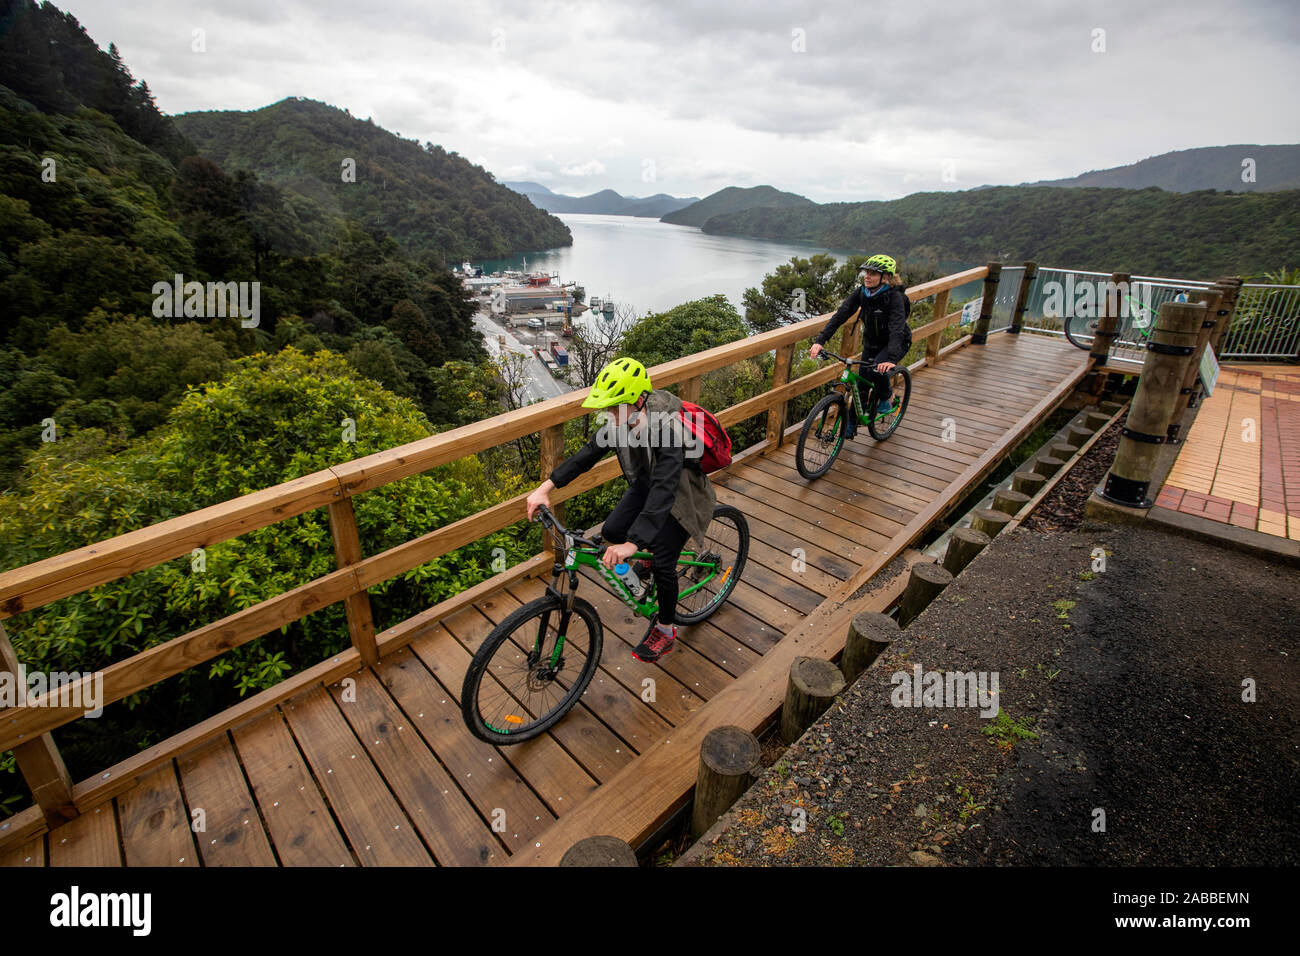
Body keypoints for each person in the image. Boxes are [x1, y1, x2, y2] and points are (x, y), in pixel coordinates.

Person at [524, 357, 717, 663]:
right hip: (646, 484)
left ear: (639, 400)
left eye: (615, 408)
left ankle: (666, 630)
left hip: (682, 495)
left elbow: (665, 491)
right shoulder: (621, 421)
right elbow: (587, 455)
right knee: (612, 531)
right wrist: (544, 488)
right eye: (607, 409)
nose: (610, 416)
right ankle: (647, 558)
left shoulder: (668, 430)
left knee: (665, 564)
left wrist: (634, 543)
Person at [808, 254, 909, 437]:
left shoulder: (895, 298)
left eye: (873, 273)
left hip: (896, 342)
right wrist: (820, 341)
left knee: (877, 371)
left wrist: (892, 358)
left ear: (885, 277)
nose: (867, 276)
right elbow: (841, 315)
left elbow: (896, 328)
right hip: (872, 342)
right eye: (866, 272)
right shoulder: (863, 292)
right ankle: (851, 425)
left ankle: (887, 396)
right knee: (860, 386)